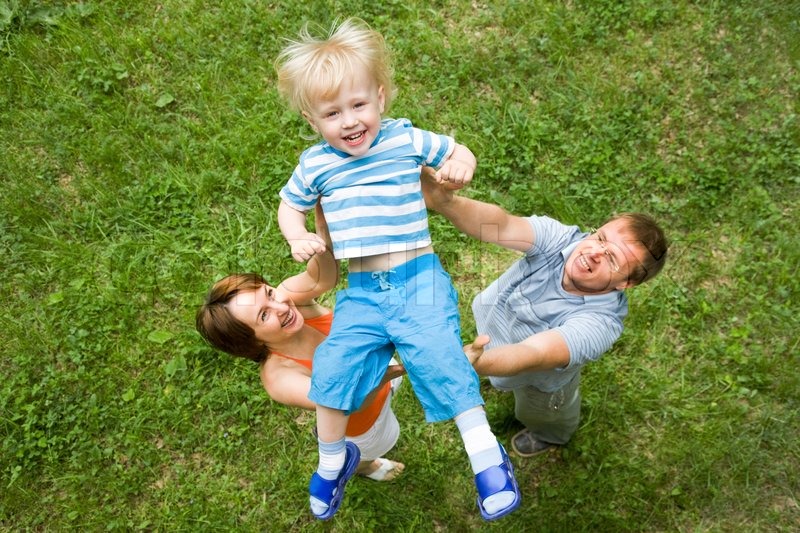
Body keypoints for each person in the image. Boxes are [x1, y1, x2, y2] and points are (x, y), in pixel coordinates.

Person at [274, 18, 520, 521]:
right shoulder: (315, 164)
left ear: (381, 99)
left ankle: (486, 457)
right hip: (361, 290)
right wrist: (298, 235)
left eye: (358, 105)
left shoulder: (405, 139)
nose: (349, 121)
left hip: (417, 278)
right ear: (312, 119)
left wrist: (460, 166)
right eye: (332, 113)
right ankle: (331, 460)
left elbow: (454, 150)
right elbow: (289, 205)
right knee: (335, 364)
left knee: (439, 354)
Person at [421, 169, 669, 458]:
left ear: (626, 283)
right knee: (489, 365)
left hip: (538, 381)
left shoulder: (601, 325)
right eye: (600, 237)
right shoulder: (563, 239)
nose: (593, 252)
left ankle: (551, 436)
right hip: (496, 329)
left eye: (612, 258)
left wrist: (470, 365)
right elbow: (500, 225)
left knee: (542, 413)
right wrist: (445, 202)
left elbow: (533, 354)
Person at [195, 206, 406, 496]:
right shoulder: (280, 377)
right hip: (364, 419)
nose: (282, 307)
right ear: (251, 342)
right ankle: (364, 467)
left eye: (268, 293)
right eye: (264, 316)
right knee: (375, 444)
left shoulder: (288, 299)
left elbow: (322, 279)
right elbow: (346, 401)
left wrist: (322, 239)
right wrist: (393, 372)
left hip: (384, 370)